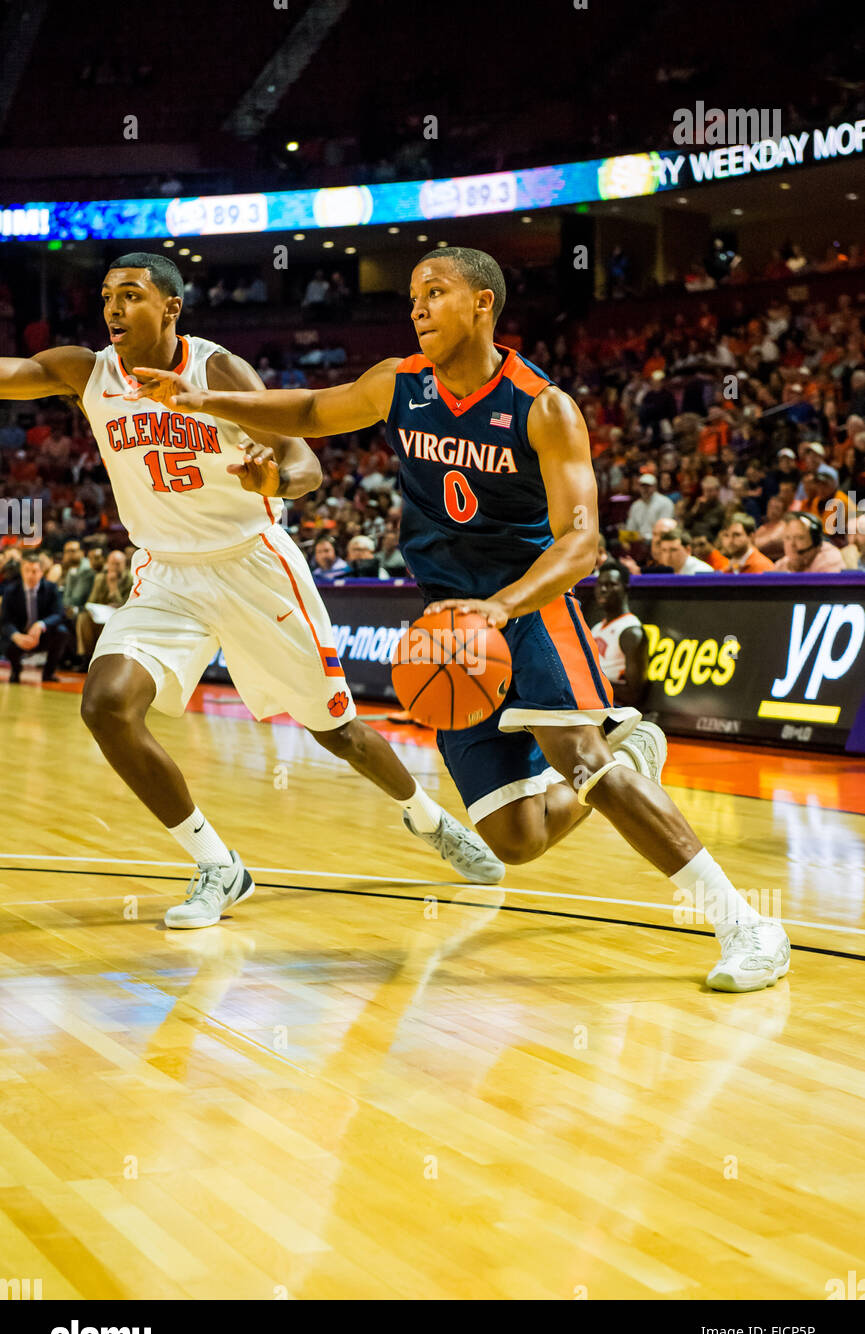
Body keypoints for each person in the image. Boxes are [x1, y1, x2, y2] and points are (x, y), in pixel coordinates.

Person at [136, 245, 791, 992]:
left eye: (435, 292)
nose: (416, 307)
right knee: (514, 840)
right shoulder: (399, 384)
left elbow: (581, 543)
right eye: (412, 295)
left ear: (482, 304)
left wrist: (503, 607)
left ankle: (745, 924)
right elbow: (314, 410)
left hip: (528, 606)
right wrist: (203, 401)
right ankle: (634, 753)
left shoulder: (542, 407)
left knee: (583, 761)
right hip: (445, 630)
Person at [0, 251, 502, 928]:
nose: (113, 308)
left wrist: (277, 480)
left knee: (337, 731)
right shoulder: (84, 370)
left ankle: (426, 816)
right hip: (166, 573)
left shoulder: (216, 370)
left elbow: (304, 460)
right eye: (106, 295)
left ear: (170, 307)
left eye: (131, 295)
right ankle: (218, 865)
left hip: (252, 564)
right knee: (106, 705)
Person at [1, 553, 68, 683]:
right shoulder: (11, 591)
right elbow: (5, 621)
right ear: (21, 572)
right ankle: (16, 670)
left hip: (42, 635)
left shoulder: (51, 588)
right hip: (20, 635)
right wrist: (16, 635)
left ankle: (48, 673)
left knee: (62, 632)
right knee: (5, 637)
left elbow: (59, 614)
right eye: (27, 571)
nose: (31, 575)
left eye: (35, 571)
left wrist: (41, 624)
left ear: (41, 572)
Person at [590, 561, 648, 709]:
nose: (602, 589)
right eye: (600, 584)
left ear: (625, 589)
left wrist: (590, 684)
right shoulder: (596, 628)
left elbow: (634, 693)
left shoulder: (631, 631)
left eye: (610, 584)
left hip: (614, 712)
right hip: (591, 706)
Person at [75, 548, 133, 668]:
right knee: (83, 617)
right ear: (107, 563)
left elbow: (127, 605)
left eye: (118, 564)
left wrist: (113, 588)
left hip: (120, 616)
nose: (115, 567)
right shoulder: (100, 578)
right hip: (102, 615)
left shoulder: (131, 579)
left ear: (124, 564)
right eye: (112, 563)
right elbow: (91, 601)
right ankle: (86, 657)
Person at [774, 512, 845, 572]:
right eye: (787, 538)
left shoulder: (830, 560)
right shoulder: (782, 565)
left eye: (799, 538)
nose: (792, 544)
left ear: (816, 541)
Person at [624, 472, 674, 540]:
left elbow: (664, 530)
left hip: (658, 540)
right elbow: (630, 529)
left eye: (648, 486)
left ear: (655, 487)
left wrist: (645, 538)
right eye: (643, 486)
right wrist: (627, 539)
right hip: (638, 541)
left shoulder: (665, 503)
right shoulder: (635, 506)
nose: (645, 489)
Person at [753, 494, 788, 562]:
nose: (772, 511)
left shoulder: (783, 527)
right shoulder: (763, 527)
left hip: (775, 563)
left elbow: (767, 542)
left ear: (784, 511)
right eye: (770, 507)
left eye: (776, 508)